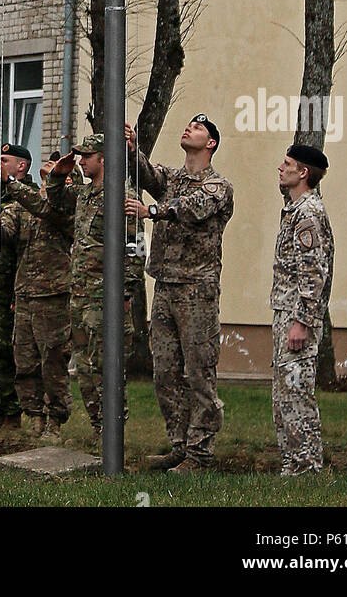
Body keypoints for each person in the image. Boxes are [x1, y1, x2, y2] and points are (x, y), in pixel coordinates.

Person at [127, 113, 234, 473]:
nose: (189, 128)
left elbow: (191, 208)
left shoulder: (218, 186)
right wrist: (132, 149)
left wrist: (152, 211)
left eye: (199, 127)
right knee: (165, 372)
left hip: (197, 290)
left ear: (211, 143)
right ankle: (180, 445)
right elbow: (148, 176)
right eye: (188, 124)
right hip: (165, 285)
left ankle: (201, 454)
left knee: (200, 372)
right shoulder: (172, 178)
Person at [45, 130, 144, 441]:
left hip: (106, 296)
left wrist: (126, 292)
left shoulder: (123, 197)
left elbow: (135, 246)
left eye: (87, 156)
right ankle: (99, 428)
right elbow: (58, 203)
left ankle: (113, 430)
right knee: (86, 368)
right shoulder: (86, 194)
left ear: (105, 158)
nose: (82, 161)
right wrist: (58, 179)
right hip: (82, 294)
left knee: (107, 366)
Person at [0, 146, 73, 441]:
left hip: (53, 293)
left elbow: (45, 210)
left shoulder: (64, 204)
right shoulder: (24, 203)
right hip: (25, 292)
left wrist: (10, 182)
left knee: (52, 359)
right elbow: (11, 225)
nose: (48, 167)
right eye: (48, 163)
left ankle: (55, 420)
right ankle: (34, 415)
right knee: (24, 359)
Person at [271, 143, 334, 477]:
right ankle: (291, 466)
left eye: (288, 163)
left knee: (297, 395)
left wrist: (302, 322)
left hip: (297, 318)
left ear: (303, 173)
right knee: (284, 396)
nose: (281, 168)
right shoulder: (295, 209)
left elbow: (313, 272)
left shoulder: (308, 213)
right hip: (286, 313)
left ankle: (307, 468)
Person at [0, 142, 33, 433]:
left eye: (4, 160)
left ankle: (13, 410)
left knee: (7, 351)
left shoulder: (28, 196)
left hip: (9, 285)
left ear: (21, 166)